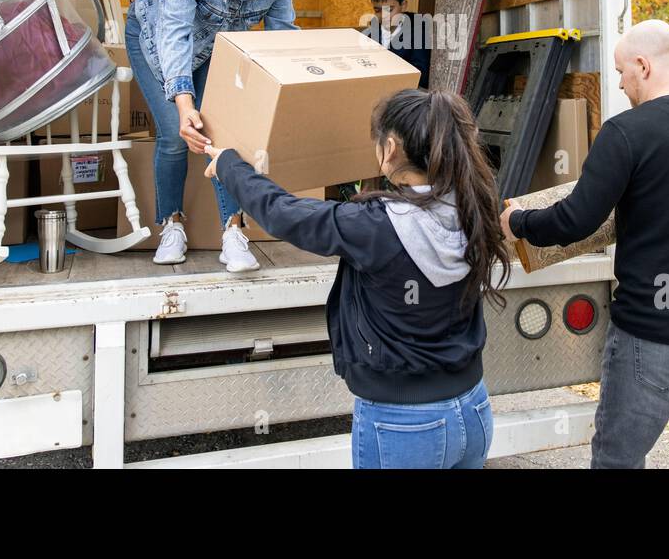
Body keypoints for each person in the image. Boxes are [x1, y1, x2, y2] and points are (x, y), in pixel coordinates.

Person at [500, 19, 669, 468]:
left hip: (653, 336)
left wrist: (518, 222)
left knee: (616, 460)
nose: (620, 84)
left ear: (643, 65)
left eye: (622, 72)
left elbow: (576, 220)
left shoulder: (625, 133)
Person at [202, 88, 511, 468]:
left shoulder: (376, 225)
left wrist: (229, 164)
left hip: (404, 425)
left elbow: (284, 214)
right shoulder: (473, 205)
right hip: (473, 408)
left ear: (392, 148)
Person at [124, 0, 301, 271]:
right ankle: (171, 225)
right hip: (155, 36)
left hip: (216, 46)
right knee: (177, 131)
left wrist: (283, 99)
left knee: (221, 131)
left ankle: (234, 232)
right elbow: (174, 32)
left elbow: (282, 36)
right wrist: (185, 103)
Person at [363, 0, 432, 89]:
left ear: (403, 6)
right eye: (377, 10)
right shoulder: (371, 33)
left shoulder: (418, 33)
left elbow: (422, 77)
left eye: (389, 10)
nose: (383, 16)